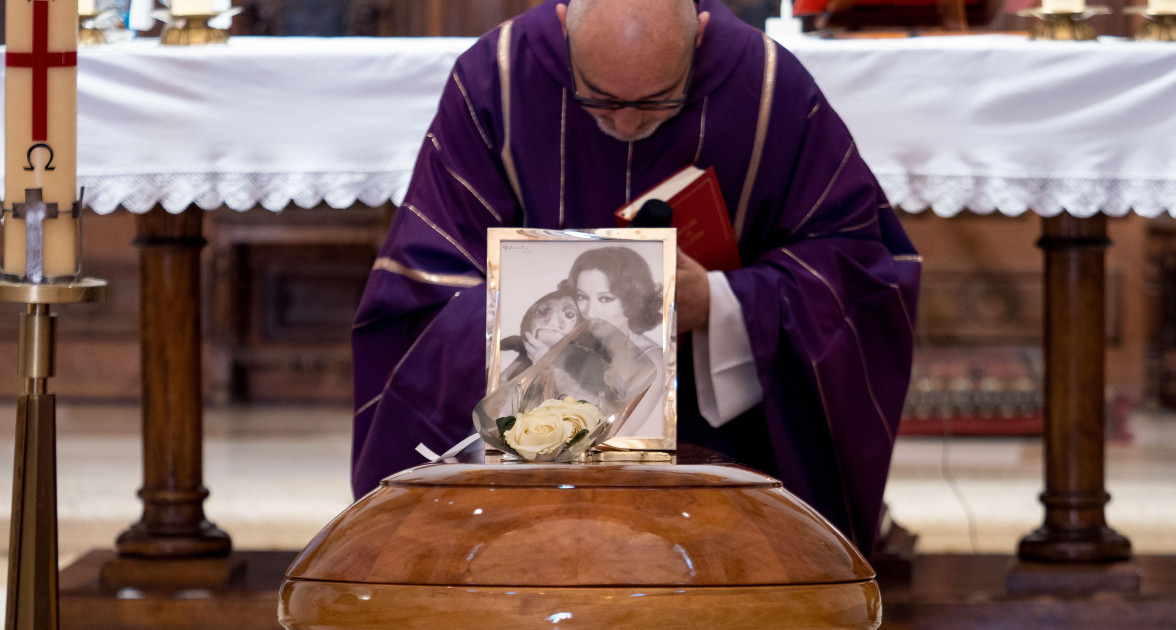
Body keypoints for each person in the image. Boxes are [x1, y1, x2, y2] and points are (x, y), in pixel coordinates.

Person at [352, 0, 920, 554]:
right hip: (523, 443)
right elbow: (422, 275)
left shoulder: (769, 87)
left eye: (657, 102)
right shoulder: (497, 76)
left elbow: (860, 267)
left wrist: (724, 303)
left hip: (717, 434)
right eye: (597, 100)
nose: (625, 123)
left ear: (698, 36)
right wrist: (524, 319)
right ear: (562, 31)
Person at [565, 246, 665, 437]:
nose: (590, 311)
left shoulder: (653, 360)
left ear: (632, 300)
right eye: (582, 297)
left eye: (605, 299)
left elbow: (616, 434)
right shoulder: (575, 346)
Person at [498, 288, 581, 382]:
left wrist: (547, 365)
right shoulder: (506, 347)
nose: (552, 322)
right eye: (542, 311)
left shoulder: (580, 370)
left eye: (569, 315)